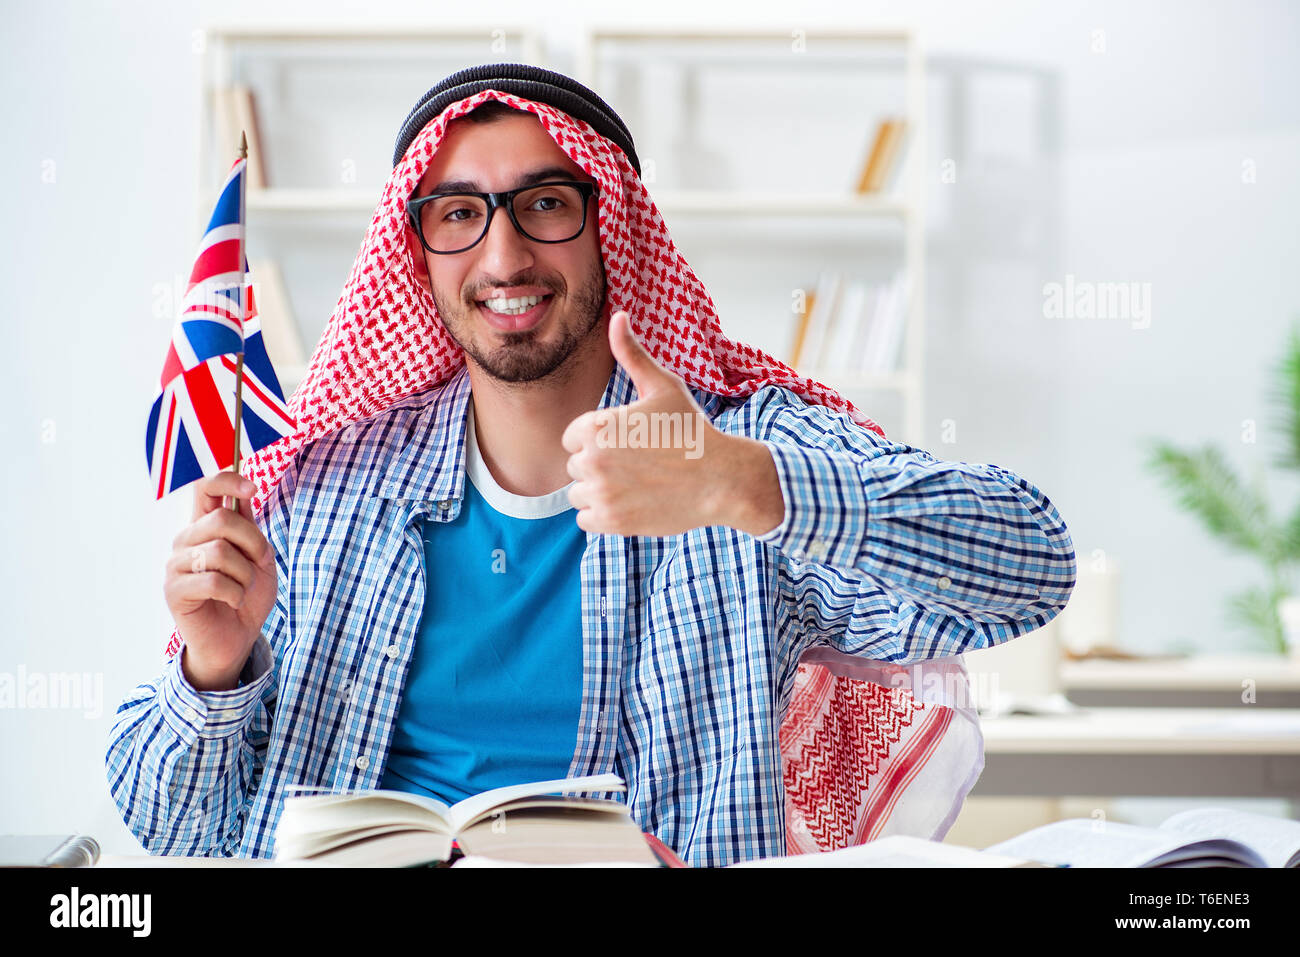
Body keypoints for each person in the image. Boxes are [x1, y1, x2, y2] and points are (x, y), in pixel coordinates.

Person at [107, 64, 1077, 867]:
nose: (504, 254)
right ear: (419, 254)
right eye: (457, 215)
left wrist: (743, 484)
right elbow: (178, 830)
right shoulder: (322, 490)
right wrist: (214, 667)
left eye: (543, 204)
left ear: (608, 223)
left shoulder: (736, 449)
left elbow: (1031, 567)